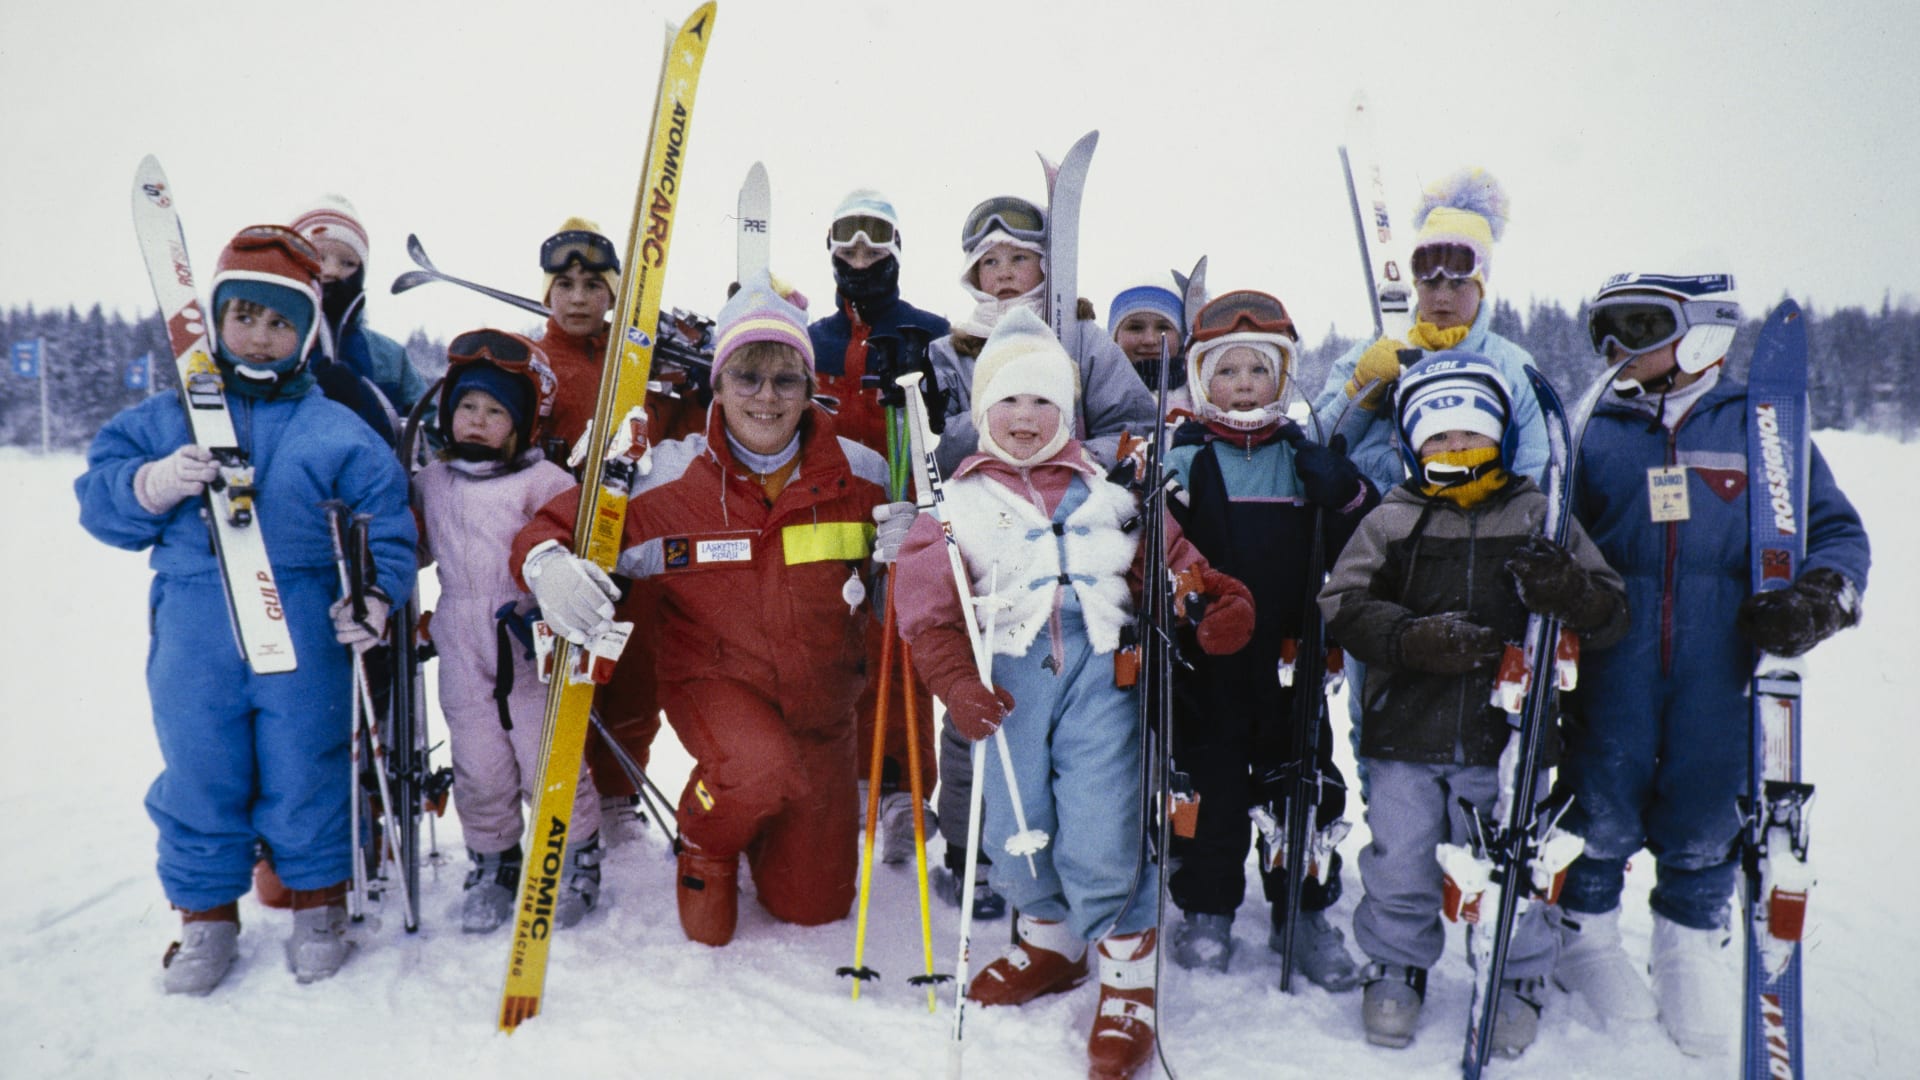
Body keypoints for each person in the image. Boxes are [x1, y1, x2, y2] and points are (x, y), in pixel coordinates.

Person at [895, 308, 1254, 1080]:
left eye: (1042, 402)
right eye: (1009, 401)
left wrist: (1213, 600)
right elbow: (926, 610)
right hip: (1008, 686)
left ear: (1069, 411)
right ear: (982, 410)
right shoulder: (956, 508)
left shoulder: (1112, 493)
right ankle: (1050, 944)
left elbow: (1174, 562)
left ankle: (1127, 980)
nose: (1025, 418)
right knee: (1018, 823)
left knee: (1101, 821)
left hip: (1101, 679)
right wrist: (956, 682)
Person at [75, 225, 415, 994]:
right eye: (244, 317)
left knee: (309, 764)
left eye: (280, 321)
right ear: (217, 321)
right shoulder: (168, 420)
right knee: (200, 766)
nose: (260, 337)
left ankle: (318, 905)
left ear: (305, 333)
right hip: (196, 625)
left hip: (301, 622)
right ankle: (205, 919)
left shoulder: (338, 428)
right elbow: (100, 500)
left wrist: (373, 596)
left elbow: (389, 529)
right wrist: (152, 484)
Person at [512, 272, 897, 946]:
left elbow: (904, 582)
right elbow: (553, 525)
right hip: (716, 683)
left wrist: (909, 551)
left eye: (786, 379)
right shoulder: (667, 476)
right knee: (756, 771)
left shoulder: (862, 473)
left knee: (814, 906)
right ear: (716, 385)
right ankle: (706, 835)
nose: (767, 397)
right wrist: (550, 567)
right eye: (746, 376)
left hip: (822, 705)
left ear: (811, 388)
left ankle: (754, 808)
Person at [1549, 271, 1870, 1055]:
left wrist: (1821, 595)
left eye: (1636, 325)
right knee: (1603, 790)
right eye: (1603, 332)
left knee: (1705, 797)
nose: (1615, 348)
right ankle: (1584, 936)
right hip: (1614, 651)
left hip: (1720, 654)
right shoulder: (1599, 429)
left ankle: (1687, 940)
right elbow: (1557, 525)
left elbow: (1836, 533)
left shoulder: (1762, 429)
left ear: (1703, 329)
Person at [1318, 354, 1628, 1055]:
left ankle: (1517, 971)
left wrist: (1572, 592)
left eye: (1470, 436)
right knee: (1401, 858)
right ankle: (1397, 961)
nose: (1454, 449)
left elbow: (1612, 610)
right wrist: (1406, 637)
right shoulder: (1394, 516)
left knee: (1516, 855)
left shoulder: (1539, 510)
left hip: (1509, 735)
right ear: (1411, 444)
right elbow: (1341, 603)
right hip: (1405, 732)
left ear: (1499, 437)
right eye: (1438, 438)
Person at [925, 192, 1159, 917]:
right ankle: (972, 852)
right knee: (979, 717)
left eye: (1018, 258)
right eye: (988, 262)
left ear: (1045, 264)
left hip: (1074, 534)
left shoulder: (1086, 342)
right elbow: (934, 456)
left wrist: (1066, 461)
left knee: (1083, 745)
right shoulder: (947, 348)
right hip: (993, 543)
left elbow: (1131, 427)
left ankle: (1089, 883)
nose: (1003, 274)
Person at [1158, 290, 1377, 989]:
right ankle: (1208, 909)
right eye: (1227, 371)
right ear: (1201, 379)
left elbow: (1362, 543)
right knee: (1211, 786)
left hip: (1291, 657)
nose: (1244, 384)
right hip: (1209, 660)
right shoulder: (1187, 458)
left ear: (1282, 377)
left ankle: (1303, 911)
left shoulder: (1303, 456)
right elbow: (1151, 545)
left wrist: (1344, 494)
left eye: (1259, 369)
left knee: (1305, 785)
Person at [1312, 167, 1548, 803]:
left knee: (1483, 709)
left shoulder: (1509, 365)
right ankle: (1394, 833)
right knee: (1382, 710)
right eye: (1429, 279)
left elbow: (1536, 460)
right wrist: (1365, 388)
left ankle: (1475, 856)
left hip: (1479, 559)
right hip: (1388, 561)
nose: (1441, 294)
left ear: (1482, 282)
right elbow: (1321, 447)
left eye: (1458, 279)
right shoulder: (1374, 351)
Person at [411, 330, 605, 934]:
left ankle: (575, 858)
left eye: (496, 411)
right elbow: (410, 547)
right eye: (467, 406)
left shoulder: (544, 481)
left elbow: (572, 545)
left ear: (521, 424)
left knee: (545, 753)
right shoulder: (432, 483)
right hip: (460, 639)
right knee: (478, 762)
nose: (477, 420)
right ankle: (492, 863)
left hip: (526, 639)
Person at [530, 217, 704, 847]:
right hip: (558, 546)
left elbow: (684, 431)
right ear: (548, 292)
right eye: (565, 284)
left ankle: (617, 793)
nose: (578, 297)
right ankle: (567, 802)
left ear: (613, 294)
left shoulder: (641, 364)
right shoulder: (534, 365)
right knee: (558, 684)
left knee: (633, 675)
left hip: (634, 546)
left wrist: (693, 378)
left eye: (592, 285)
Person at [806, 189, 951, 866]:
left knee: (905, 645)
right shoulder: (814, 343)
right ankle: (849, 779)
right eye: (847, 240)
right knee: (835, 644)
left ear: (896, 246)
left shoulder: (930, 329)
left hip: (907, 509)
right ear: (831, 247)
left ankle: (902, 789)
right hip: (831, 512)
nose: (861, 253)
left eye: (876, 239)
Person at [290, 194, 429, 421]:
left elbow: (428, 436)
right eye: (318, 257)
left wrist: (365, 408)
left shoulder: (391, 358)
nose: (331, 271)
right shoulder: (269, 343)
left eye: (348, 263)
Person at [1108, 276, 1190, 416]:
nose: (1150, 340)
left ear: (1180, 336)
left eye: (1163, 327)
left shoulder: (1201, 394)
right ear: (1115, 336)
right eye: (1135, 328)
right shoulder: (1098, 393)